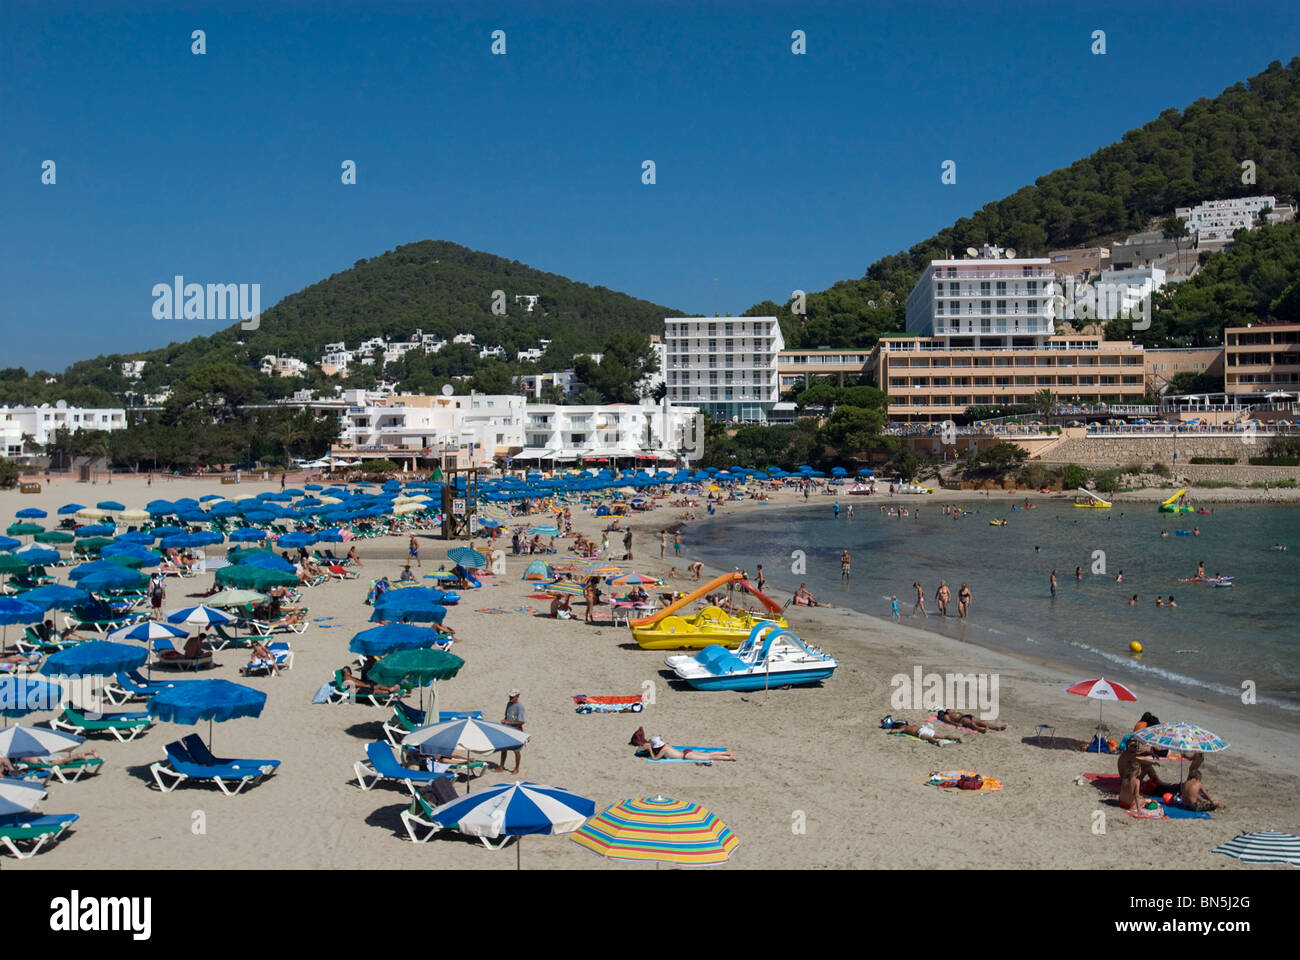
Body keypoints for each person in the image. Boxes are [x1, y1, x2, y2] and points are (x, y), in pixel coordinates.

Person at [645, 736, 737, 762]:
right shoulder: (667, 745)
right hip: (686, 752)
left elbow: (655, 759)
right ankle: (726, 753)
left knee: (709, 757)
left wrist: (650, 750)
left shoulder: (663, 750)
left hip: (686, 756)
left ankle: (729, 758)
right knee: (708, 754)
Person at [880, 716, 962, 746]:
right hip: (924, 728)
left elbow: (894, 731)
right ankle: (957, 738)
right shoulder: (908, 725)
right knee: (943, 736)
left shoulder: (903, 728)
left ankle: (937, 742)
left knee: (929, 738)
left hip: (921, 732)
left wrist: (892, 731)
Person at [499, 689, 525, 775]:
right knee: (504, 748)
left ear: (517, 697)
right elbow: (506, 716)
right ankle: (501, 766)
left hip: (516, 731)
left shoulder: (520, 707)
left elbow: (522, 722)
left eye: (512, 697)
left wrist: (509, 722)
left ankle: (516, 768)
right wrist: (504, 720)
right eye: (510, 696)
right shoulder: (509, 704)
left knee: (516, 750)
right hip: (507, 729)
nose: (510, 698)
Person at [937, 708, 1005, 733]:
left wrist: (971, 716)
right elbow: (949, 721)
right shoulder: (947, 715)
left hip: (966, 716)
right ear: (947, 711)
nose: (952, 709)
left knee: (982, 722)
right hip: (961, 720)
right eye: (950, 709)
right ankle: (980, 730)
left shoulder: (955, 712)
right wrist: (956, 724)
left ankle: (997, 728)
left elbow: (962, 714)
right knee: (971, 723)